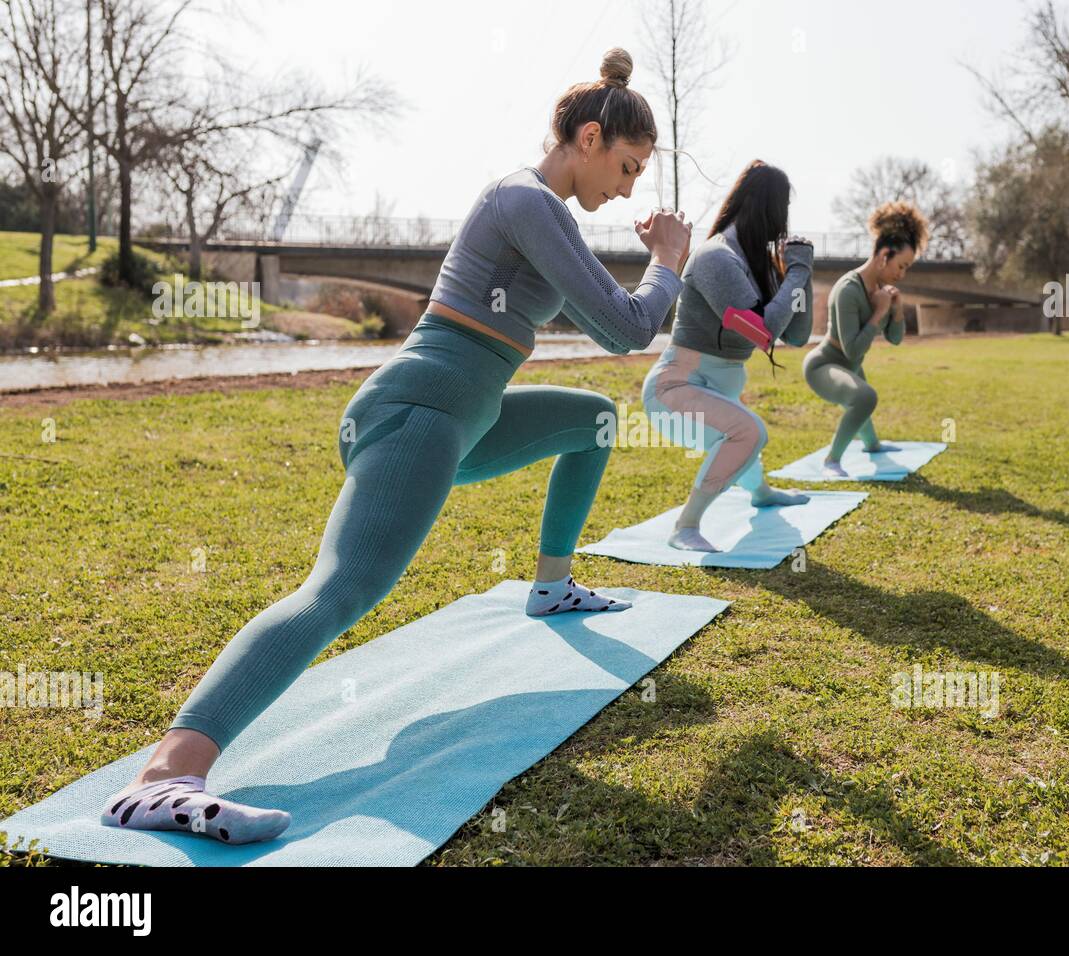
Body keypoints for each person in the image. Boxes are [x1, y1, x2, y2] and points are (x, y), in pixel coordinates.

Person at [99, 48, 691, 845]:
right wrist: (667, 263)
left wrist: (655, 272)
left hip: (465, 418)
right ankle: (164, 774)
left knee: (591, 421)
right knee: (338, 592)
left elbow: (611, 310)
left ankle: (552, 584)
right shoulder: (525, 198)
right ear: (588, 138)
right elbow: (625, 327)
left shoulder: (544, 212)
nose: (628, 187)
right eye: (626, 165)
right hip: (418, 415)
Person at [640, 160, 814, 552]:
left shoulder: (761, 267)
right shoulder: (716, 258)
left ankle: (761, 492)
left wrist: (800, 273)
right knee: (748, 431)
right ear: (764, 208)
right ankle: (684, 527)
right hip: (674, 391)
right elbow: (763, 333)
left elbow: (799, 335)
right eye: (781, 210)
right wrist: (798, 273)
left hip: (714, 392)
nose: (782, 225)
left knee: (739, 429)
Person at [802, 201, 928, 476]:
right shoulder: (848, 289)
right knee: (865, 397)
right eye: (901, 266)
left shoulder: (883, 289)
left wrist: (896, 310)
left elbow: (895, 340)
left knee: (861, 396)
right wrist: (879, 311)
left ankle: (872, 444)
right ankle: (831, 461)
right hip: (824, 365)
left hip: (851, 364)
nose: (902, 274)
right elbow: (852, 348)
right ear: (884, 255)